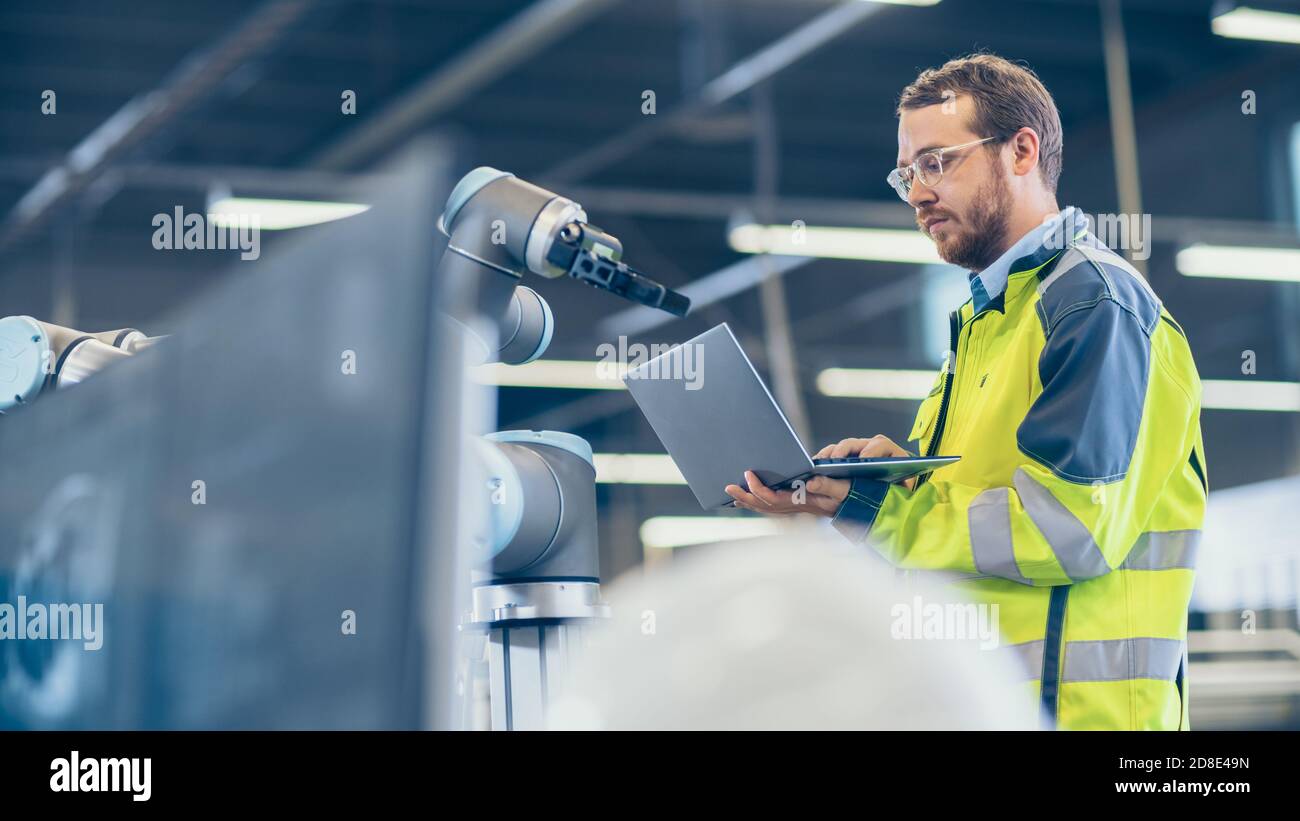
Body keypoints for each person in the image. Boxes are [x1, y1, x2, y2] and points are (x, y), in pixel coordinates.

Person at [724, 54, 1207, 730]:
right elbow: (963, 532)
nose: (918, 192)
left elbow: (1065, 529)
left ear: (1021, 151)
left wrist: (876, 508)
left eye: (937, 162)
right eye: (907, 173)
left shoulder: (1093, 305)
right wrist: (881, 486)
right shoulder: (986, 322)